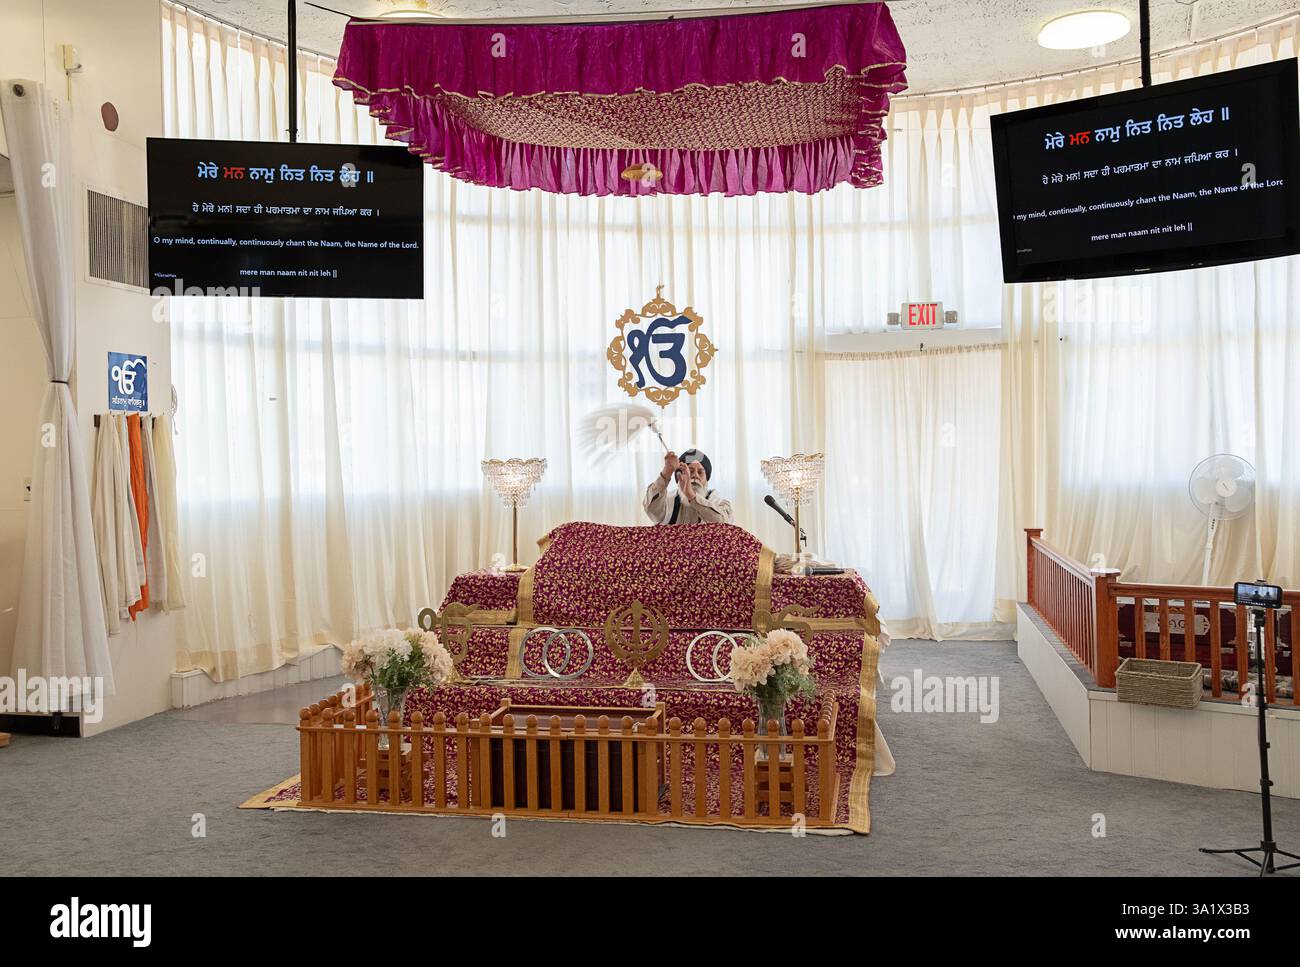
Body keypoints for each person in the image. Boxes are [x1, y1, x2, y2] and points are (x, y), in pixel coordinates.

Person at [643, 448, 733, 525]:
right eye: (690, 471)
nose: (695, 476)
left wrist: (691, 495)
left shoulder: (719, 503)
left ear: (706, 480)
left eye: (700, 472)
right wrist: (666, 472)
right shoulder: (668, 501)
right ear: (679, 476)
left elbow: (723, 524)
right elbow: (651, 509)